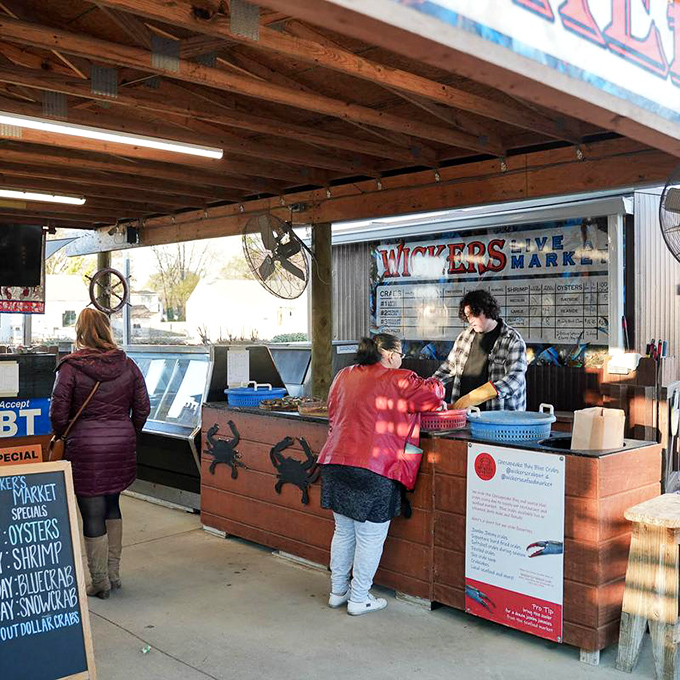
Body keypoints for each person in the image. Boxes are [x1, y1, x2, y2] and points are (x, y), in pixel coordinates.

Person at [318, 333, 444, 616]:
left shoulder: (343, 375)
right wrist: (438, 381)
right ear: (388, 354)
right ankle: (359, 598)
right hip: (375, 467)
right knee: (370, 537)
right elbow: (433, 395)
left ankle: (338, 592)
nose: (401, 358)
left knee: (344, 531)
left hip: (335, 461)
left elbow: (332, 411)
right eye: (400, 352)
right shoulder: (400, 378)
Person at [50, 308, 150, 599]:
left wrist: (66, 433)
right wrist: (128, 431)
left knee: (91, 511)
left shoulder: (70, 367)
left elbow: (58, 413)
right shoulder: (128, 365)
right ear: (107, 330)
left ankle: (99, 581)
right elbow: (143, 407)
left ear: (80, 332)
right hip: (120, 442)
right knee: (112, 504)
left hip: (86, 447)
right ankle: (114, 574)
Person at [434, 289, 527, 410]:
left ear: (488, 310)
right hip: (464, 415)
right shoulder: (464, 337)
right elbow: (447, 369)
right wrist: (426, 387)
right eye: (468, 316)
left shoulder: (512, 340)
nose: (470, 320)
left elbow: (515, 379)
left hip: (499, 419)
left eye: (475, 314)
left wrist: (477, 396)